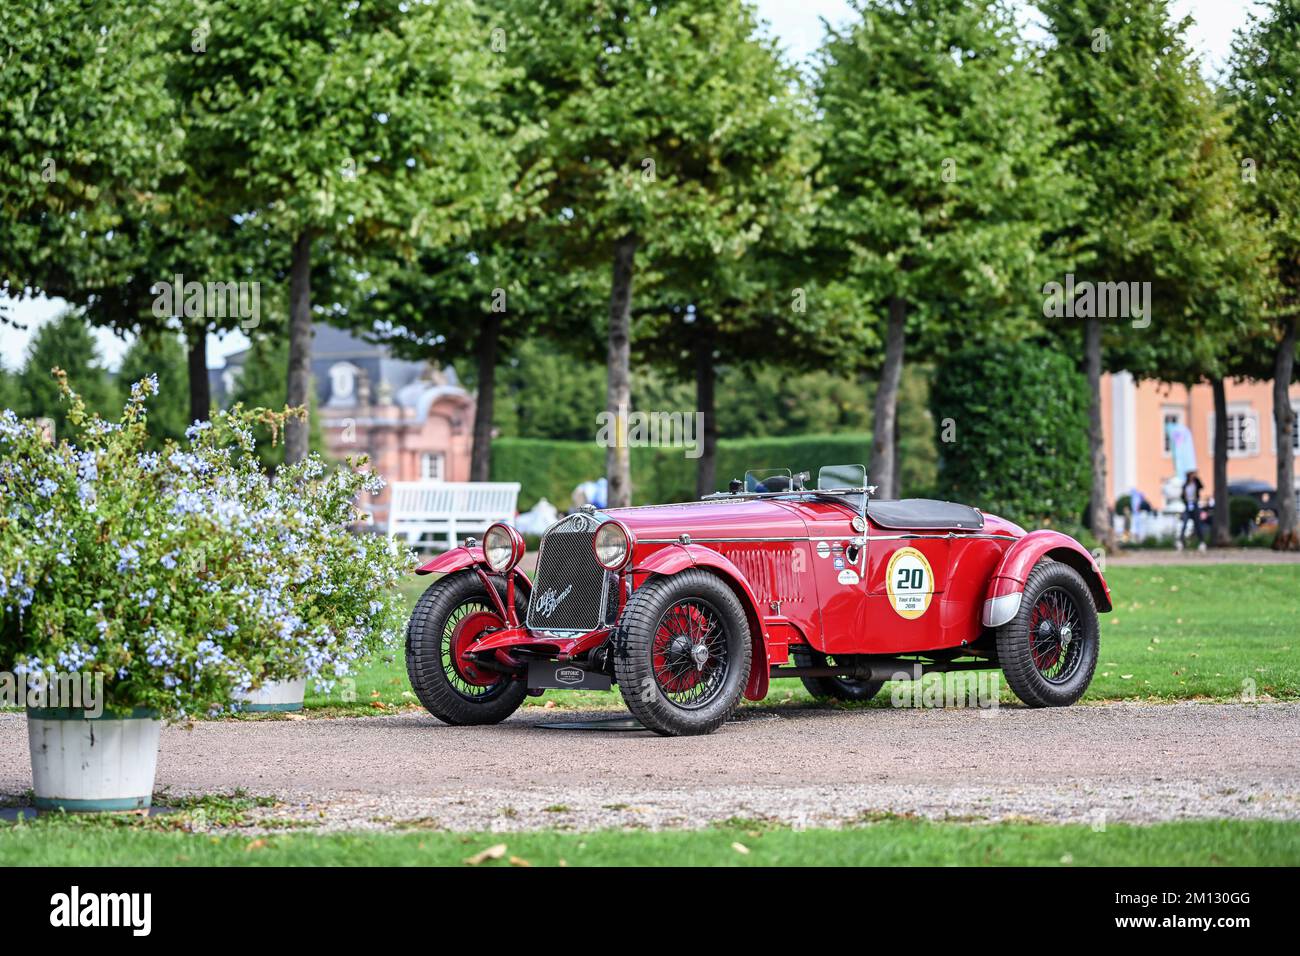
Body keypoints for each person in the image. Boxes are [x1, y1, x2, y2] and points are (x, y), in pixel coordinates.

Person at [1177, 470, 1206, 551]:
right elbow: (1182, 496)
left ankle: (1202, 542)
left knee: (1198, 524)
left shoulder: (1196, 483)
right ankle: (1181, 542)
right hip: (1188, 506)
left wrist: (1197, 479)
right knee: (1184, 523)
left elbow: (1202, 486)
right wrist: (1185, 501)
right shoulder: (1185, 485)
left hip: (1195, 505)